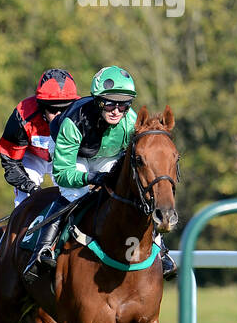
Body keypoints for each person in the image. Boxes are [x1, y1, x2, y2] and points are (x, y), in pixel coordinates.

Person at [22, 66, 177, 285]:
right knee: (75, 195)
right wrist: (90, 178)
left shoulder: (129, 121)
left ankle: (161, 250)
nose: (116, 110)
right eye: (110, 103)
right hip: (72, 154)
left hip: (106, 154)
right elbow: (64, 174)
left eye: (123, 104)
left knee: (138, 195)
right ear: (98, 100)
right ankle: (43, 250)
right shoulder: (72, 124)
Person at [0, 68, 80, 206]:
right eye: (53, 110)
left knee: (76, 195)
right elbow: (10, 161)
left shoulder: (81, 113)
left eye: (65, 109)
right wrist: (31, 188)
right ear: (42, 107)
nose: (59, 115)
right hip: (33, 158)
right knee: (26, 200)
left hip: (66, 156)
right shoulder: (23, 116)